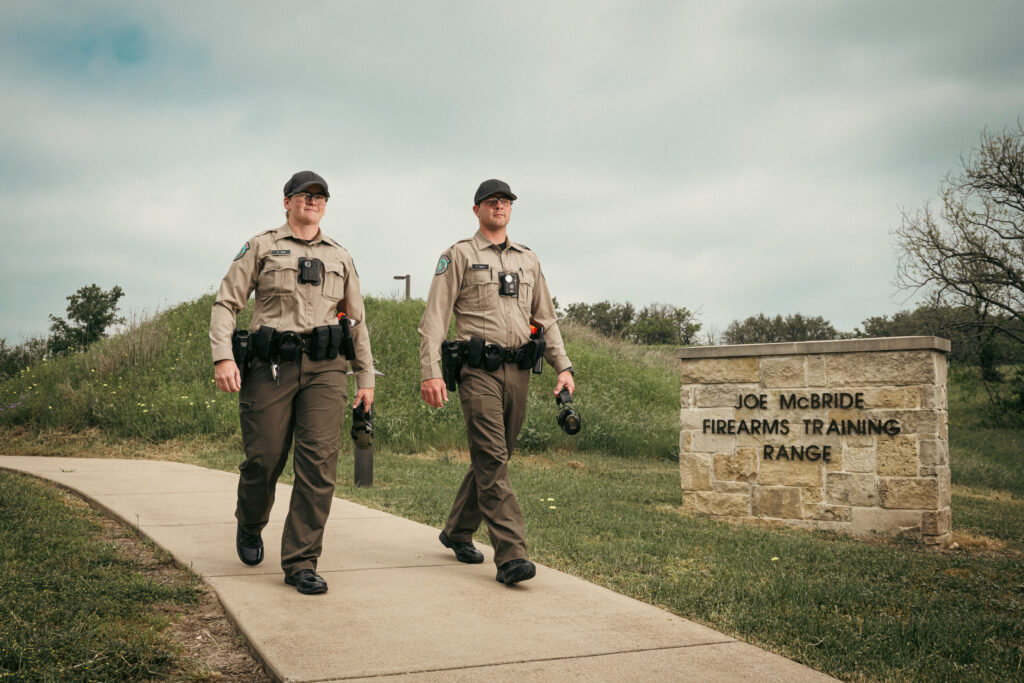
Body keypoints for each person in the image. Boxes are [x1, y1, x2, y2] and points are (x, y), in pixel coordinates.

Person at [210, 170, 374, 595]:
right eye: (304, 195)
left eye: (320, 196)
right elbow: (226, 302)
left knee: (319, 465)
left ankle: (301, 561)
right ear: (287, 201)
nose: (312, 201)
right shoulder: (262, 246)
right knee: (263, 458)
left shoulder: (340, 256)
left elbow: (355, 320)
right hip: (270, 367)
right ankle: (250, 523)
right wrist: (224, 356)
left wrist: (365, 376)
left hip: (325, 369)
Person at [418, 179, 575, 586]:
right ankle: (511, 555)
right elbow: (434, 320)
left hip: (518, 372)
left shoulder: (528, 260)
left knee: (497, 458)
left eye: (505, 201)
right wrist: (430, 370)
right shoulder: (459, 256)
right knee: (490, 456)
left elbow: (546, 317)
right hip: (477, 371)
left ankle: (456, 531)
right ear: (477, 210)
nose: (500, 206)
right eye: (492, 201)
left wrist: (564, 366)